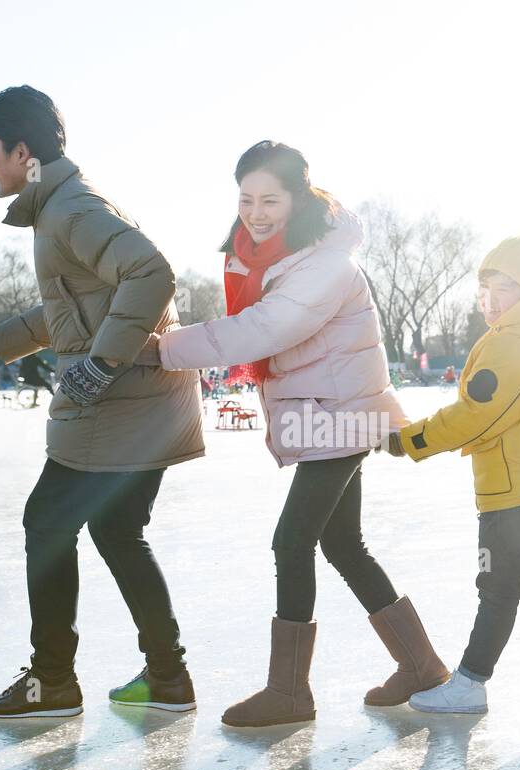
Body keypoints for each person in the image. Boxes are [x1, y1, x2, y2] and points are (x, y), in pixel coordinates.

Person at [139, 140, 447, 727]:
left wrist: (162, 350)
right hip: (327, 411)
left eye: (270, 200)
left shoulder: (326, 262)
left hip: (340, 413)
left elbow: (262, 329)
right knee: (342, 544)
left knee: (292, 542)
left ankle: (289, 692)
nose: (257, 212)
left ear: (298, 198)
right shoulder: (265, 257)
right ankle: (421, 666)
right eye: (247, 199)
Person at [0, 85, 205, 718]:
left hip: (120, 407)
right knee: (116, 530)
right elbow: (70, 308)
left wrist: (100, 365)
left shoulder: (71, 210)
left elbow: (151, 272)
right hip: (144, 403)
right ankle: (167, 676)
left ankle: (52, 681)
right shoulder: (60, 207)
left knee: (47, 524)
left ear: (21, 151)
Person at [382, 235, 520, 715]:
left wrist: (410, 440)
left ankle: (469, 683)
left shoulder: (516, 345)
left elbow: (475, 416)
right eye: (485, 290)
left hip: (514, 489)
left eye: (504, 290)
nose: (491, 301)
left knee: (497, 584)